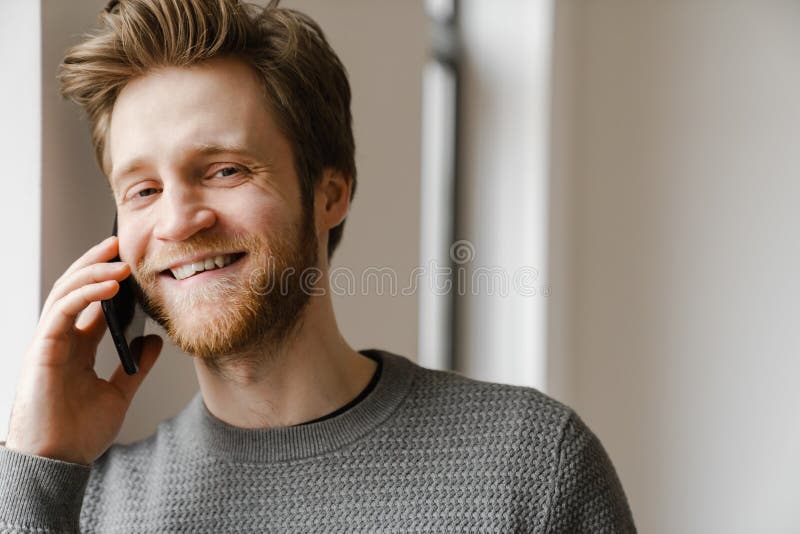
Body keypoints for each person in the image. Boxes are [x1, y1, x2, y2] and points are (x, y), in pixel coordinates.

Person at [0, 1, 636, 532]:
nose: (175, 221)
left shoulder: (533, 467)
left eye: (225, 170)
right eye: (142, 190)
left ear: (330, 193)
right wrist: (38, 464)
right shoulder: (89, 508)